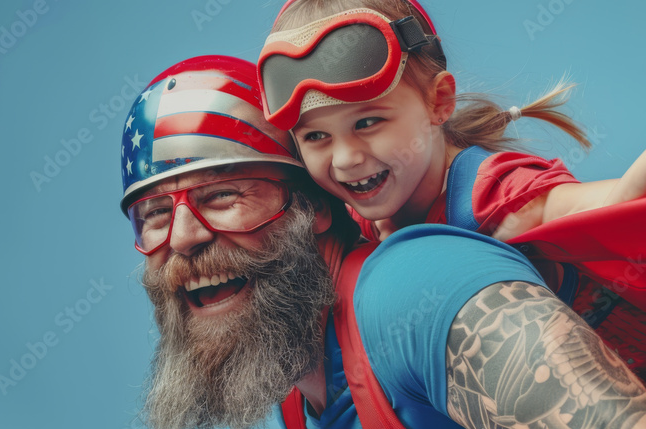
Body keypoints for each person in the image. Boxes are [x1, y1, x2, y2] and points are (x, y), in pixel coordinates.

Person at [119, 54, 646, 429]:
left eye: (221, 197)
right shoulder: (294, 384)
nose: (183, 237)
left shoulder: (408, 288)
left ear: (313, 206)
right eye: (155, 213)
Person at [256, 0, 646, 376]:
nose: (345, 159)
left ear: (439, 101)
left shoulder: (495, 198)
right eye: (317, 136)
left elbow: (618, 202)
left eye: (367, 123)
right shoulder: (347, 216)